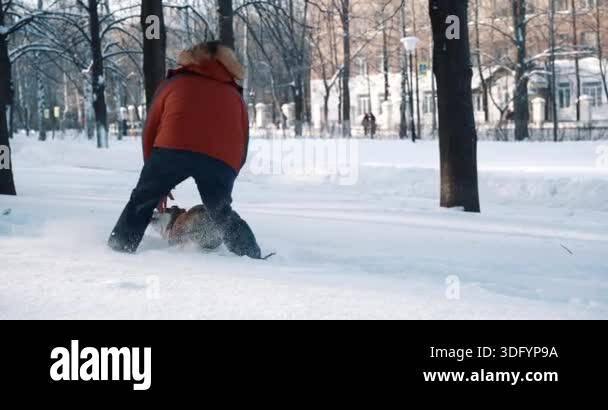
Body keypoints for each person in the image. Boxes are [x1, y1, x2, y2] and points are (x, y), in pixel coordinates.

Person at [108, 41, 264, 259]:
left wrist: (154, 177)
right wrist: (227, 177)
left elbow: (150, 129)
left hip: (172, 149)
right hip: (220, 159)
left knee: (142, 200)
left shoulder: (174, 82)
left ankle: (119, 248)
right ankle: (251, 255)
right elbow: (243, 142)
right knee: (220, 211)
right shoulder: (235, 96)